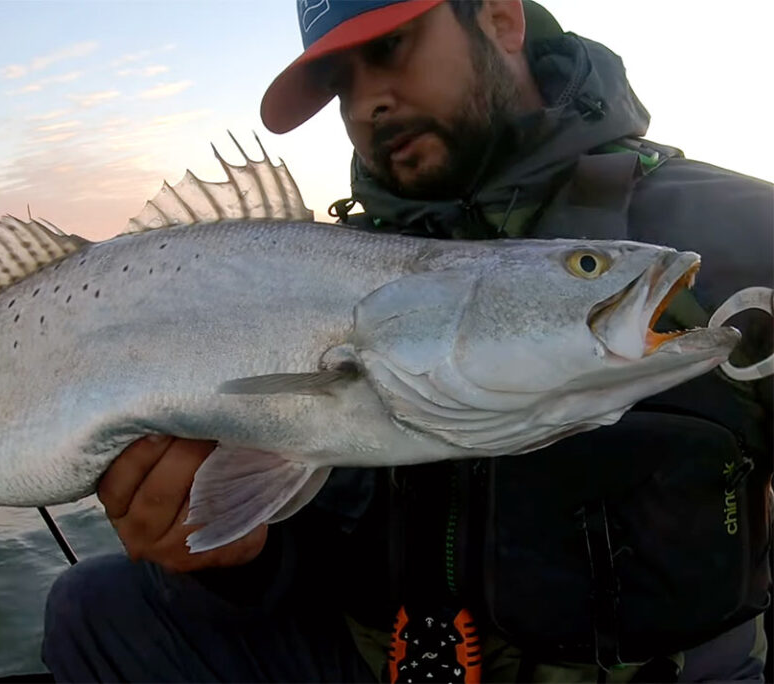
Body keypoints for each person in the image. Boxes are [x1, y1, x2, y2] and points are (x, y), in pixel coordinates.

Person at [42, 1, 773, 681]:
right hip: (380, 660)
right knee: (97, 609)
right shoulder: (319, 266)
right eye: (339, 81)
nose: (366, 104)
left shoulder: (737, 233)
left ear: (500, 16)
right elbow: (307, 540)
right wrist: (231, 559)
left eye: (392, 46)